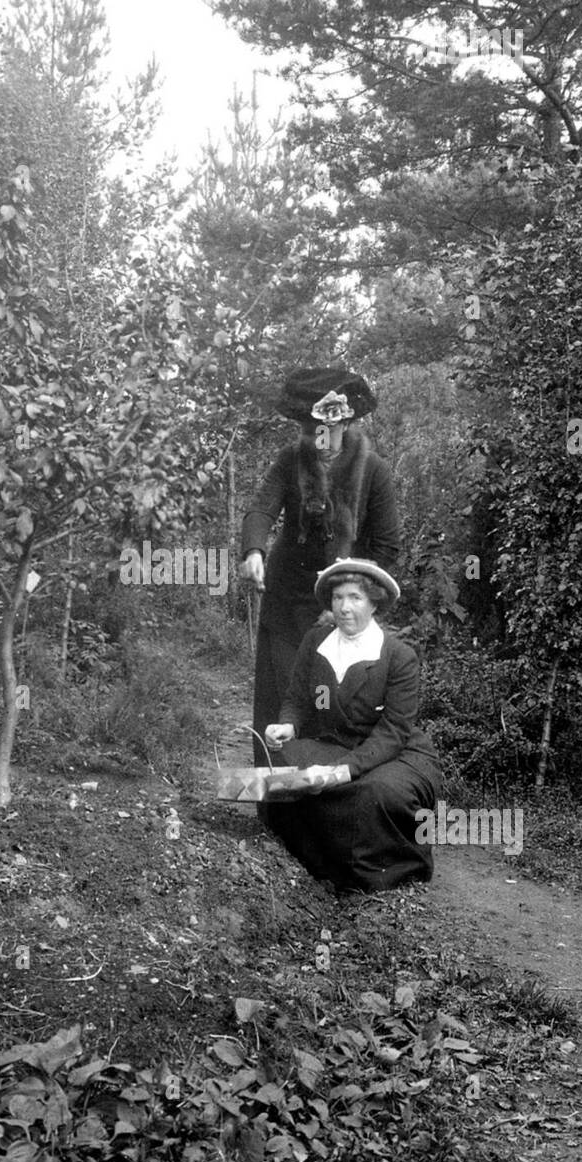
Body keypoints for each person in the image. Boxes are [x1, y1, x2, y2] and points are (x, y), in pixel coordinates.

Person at [239, 365, 400, 766]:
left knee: (331, 690)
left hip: (346, 597)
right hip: (288, 595)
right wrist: (254, 551)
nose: (323, 442)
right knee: (280, 689)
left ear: (347, 424)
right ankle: (272, 788)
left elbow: (387, 545)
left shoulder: (374, 470)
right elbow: (261, 508)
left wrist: (355, 599)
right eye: (314, 434)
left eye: (331, 432)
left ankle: (324, 787)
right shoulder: (290, 460)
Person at [262, 558, 441, 893]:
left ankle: (381, 874)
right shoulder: (317, 642)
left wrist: (344, 769)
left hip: (393, 753)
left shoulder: (398, 656)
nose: (344, 607)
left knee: (376, 793)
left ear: (374, 602)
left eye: (355, 598)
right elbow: (298, 699)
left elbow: (393, 732)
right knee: (285, 776)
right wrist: (289, 725)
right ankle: (317, 867)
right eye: (338, 597)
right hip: (335, 743)